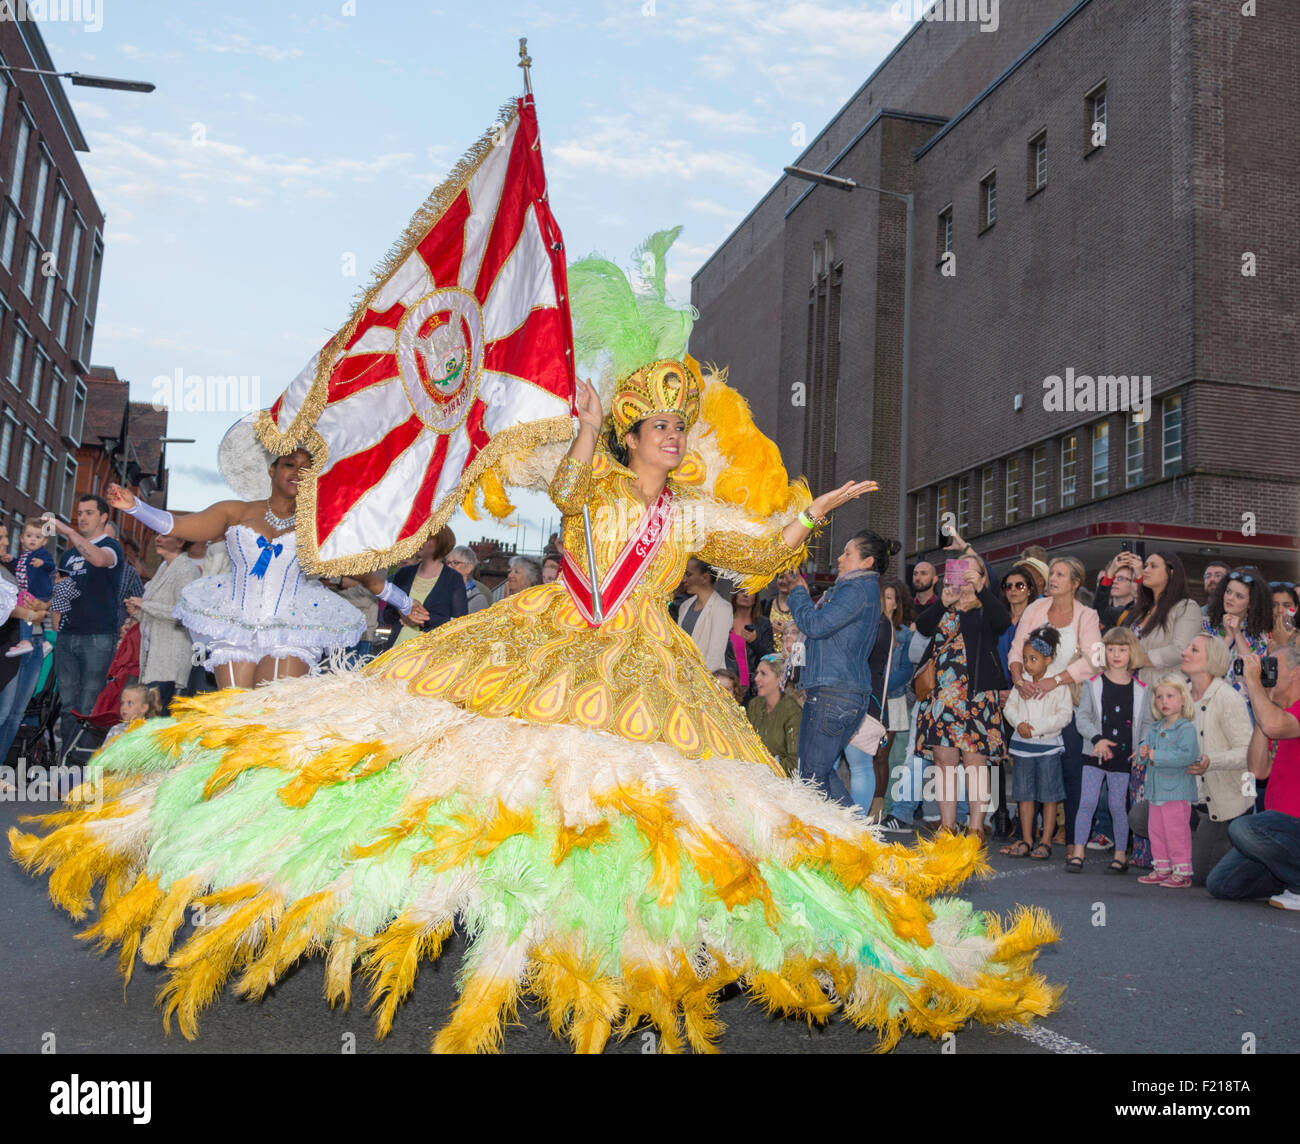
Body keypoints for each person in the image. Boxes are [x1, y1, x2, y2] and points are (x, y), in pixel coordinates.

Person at [13, 236, 1060, 1054]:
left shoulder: (691, 516)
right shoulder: (592, 482)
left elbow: (748, 547)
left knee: (631, 806)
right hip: (542, 638)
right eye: (658, 427)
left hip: (643, 668)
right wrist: (581, 421)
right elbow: (561, 483)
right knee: (466, 769)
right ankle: (442, 903)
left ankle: (606, 950)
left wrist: (806, 514)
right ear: (632, 434)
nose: (672, 440)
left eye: (678, 430)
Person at [104, 451, 413, 689]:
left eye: (307, 468)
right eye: (290, 464)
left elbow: (365, 576)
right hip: (236, 627)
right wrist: (135, 507)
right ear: (272, 469)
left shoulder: (317, 527)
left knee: (270, 712)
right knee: (236, 716)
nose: (298, 473)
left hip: (291, 630)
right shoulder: (235, 511)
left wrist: (407, 604)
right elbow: (182, 525)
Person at [915, 531, 1010, 840]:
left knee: (974, 761)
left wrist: (978, 581)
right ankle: (947, 825)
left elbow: (1002, 623)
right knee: (944, 760)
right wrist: (944, 602)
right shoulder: (945, 605)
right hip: (941, 696)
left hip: (976, 696)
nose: (965, 574)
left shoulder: (988, 608)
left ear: (983, 578)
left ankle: (976, 827)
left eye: (973, 571)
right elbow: (925, 627)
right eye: (961, 569)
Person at [788, 530, 892, 807]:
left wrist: (798, 593)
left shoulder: (856, 589)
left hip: (834, 692)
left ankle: (856, 837)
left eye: (848, 553)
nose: (839, 558)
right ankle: (852, 836)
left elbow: (815, 625)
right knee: (815, 772)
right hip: (839, 690)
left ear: (867, 561)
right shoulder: (860, 589)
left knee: (812, 775)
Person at [1006, 557, 1102, 847]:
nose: (1053, 579)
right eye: (1052, 574)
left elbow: (1096, 660)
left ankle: (1074, 839)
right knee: (1030, 770)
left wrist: (1056, 680)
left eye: (1061, 574)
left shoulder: (1088, 616)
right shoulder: (1036, 608)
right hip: (1030, 699)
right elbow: (1016, 649)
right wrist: (1018, 677)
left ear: (1075, 583)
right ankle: (1028, 837)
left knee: (1071, 770)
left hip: (1069, 702)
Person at [1205, 647, 1300, 909]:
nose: (1265, 672)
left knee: (1244, 828)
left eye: (1273, 666)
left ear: (1296, 673)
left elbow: (1273, 726)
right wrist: (1264, 701)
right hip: (1278, 833)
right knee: (1221, 884)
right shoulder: (1277, 713)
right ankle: (1289, 880)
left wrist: (1255, 686)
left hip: (1292, 825)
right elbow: (1258, 770)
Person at [1167, 633, 1254, 885]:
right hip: (1184, 795)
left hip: (1220, 804)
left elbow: (1247, 752)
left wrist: (1209, 761)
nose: (1185, 652)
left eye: (1194, 650)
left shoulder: (1228, 698)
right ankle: (1195, 838)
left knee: (1199, 876)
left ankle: (1230, 845)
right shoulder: (1176, 693)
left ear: (1212, 661)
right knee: (1139, 817)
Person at [48, 495, 126, 749]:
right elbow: (62, 591)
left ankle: (83, 763)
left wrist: (67, 530)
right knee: (67, 704)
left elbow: (98, 559)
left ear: (103, 517)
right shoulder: (69, 556)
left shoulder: (112, 547)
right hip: (67, 636)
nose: (82, 517)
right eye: (79, 512)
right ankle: (66, 761)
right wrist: (56, 622)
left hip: (98, 637)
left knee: (89, 704)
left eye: (89, 512)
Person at [1069, 627, 1147, 873]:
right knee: (1087, 801)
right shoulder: (1093, 684)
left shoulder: (1142, 689)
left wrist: (1142, 745)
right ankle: (1078, 850)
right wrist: (1097, 739)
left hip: (1124, 756)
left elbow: (1146, 723)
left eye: (1122, 649)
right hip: (1095, 752)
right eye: (1110, 649)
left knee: (1117, 805)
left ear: (1131, 652)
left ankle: (1121, 855)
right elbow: (1082, 718)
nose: (1116, 654)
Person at [1001, 627, 1073, 859]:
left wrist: (1036, 728)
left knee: (1049, 796)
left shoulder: (1057, 685)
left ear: (1048, 659)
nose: (1028, 664)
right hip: (1023, 749)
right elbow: (1010, 707)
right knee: (1024, 795)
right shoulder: (1020, 684)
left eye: (1034, 659)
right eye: (1025, 659)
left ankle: (1045, 841)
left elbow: (1064, 716)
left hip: (1048, 747)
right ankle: (1026, 839)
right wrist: (1019, 723)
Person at [124, 532, 201, 710]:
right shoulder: (164, 568)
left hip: (170, 661)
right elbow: (155, 613)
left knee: (158, 717)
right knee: (153, 717)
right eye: (157, 535)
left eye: (164, 536)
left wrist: (146, 605)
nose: (158, 539)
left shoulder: (186, 570)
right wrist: (138, 612)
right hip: (154, 659)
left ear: (181, 541)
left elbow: (186, 614)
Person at [1136, 676, 1200, 888]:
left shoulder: (1186, 729)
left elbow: (1186, 756)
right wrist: (1142, 753)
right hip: (1155, 793)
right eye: (1159, 697)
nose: (1164, 701)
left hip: (1176, 792)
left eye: (1170, 696)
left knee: (1176, 832)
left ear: (1183, 700)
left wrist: (1155, 755)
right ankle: (1162, 867)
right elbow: (1141, 756)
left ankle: (1182, 871)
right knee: (1156, 831)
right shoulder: (1154, 728)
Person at [382, 526, 468, 651]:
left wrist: (418, 618)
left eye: (427, 538)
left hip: (428, 656)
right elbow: (387, 615)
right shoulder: (403, 573)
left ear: (440, 542)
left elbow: (459, 623)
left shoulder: (453, 579)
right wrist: (402, 613)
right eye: (419, 536)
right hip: (395, 652)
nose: (420, 540)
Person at [1125, 551, 1202, 686]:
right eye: (1145, 566)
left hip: (1167, 691)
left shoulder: (1186, 607)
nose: (1146, 570)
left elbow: (1181, 650)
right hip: (1134, 689)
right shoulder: (1141, 610)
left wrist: (1138, 660)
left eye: (1153, 566)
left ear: (1171, 572)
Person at [1202, 566, 1271, 702]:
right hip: (1209, 699)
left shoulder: (1260, 634)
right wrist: (1228, 638)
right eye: (1228, 592)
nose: (1230, 598)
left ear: (1251, 603)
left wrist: (1238, 633)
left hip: (1242, 704)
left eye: (1239, 596)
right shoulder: (1207, 624)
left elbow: (1251, 671)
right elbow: (1206, 666)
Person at [2, 519, 55, 658]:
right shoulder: (24, 555)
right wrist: (11, 560)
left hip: (39, 592)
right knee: (34, 619)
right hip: (31, 592)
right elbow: (20, 565)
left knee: (26, 615)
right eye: (29, 536)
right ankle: (44, 643)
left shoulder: (41, 554)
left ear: (44, 541)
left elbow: (51, 565)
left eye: (38, 537)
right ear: (22, 539)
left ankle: (25, 641)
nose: (33, 540)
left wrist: (42, 563)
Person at [746, 653, 801, 777]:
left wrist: (765, 769)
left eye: (763, 674)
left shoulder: (792, 712)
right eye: (757, 673)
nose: (756, 678)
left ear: (780, 679)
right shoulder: (754, 705)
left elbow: (795, 763)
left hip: (781, 782)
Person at [676, 557, 733, 672]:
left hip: (707, 680)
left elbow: (715, 655)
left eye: (689, 574)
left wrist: (701, 685)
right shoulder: (684, 606)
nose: (684, 580)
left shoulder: (722, 608)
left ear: (705, 578)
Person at [723, 588, 773, 704]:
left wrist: (755, 642)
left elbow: (770, 657)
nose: (745, 595)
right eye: (741, 591)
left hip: (753, 689)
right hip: (728, 686)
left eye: (750, 591)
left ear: (755, 597)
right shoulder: (724, 620)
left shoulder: (763, 623)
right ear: (734, 594)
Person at [1092, 551, 1141, 631]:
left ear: (1133, 583)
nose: (1114, 581)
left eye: (1121, 578)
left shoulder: (1140, 612)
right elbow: (1098, 610)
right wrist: (1110, 573)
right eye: (1113, 577)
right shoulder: (1103, 610)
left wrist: (1140, 576)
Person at [447, 546, 492, 613]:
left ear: (469, 568)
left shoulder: (479, 600)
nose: (449, 567)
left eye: (455, 563)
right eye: (448, 563)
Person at [766, 570, 797, 655]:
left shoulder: (801, 609)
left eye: (788, 578)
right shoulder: (765, 606)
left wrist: (786, 631)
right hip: (769, 660)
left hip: (793, 661)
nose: (784, 581)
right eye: (781, 577)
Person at [1269, 582, 1298, 649]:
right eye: (1274, 605)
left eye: (1287, 605)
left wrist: (1281, 644)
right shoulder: (1258, 635)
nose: (1280, 610)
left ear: (1296, 608)